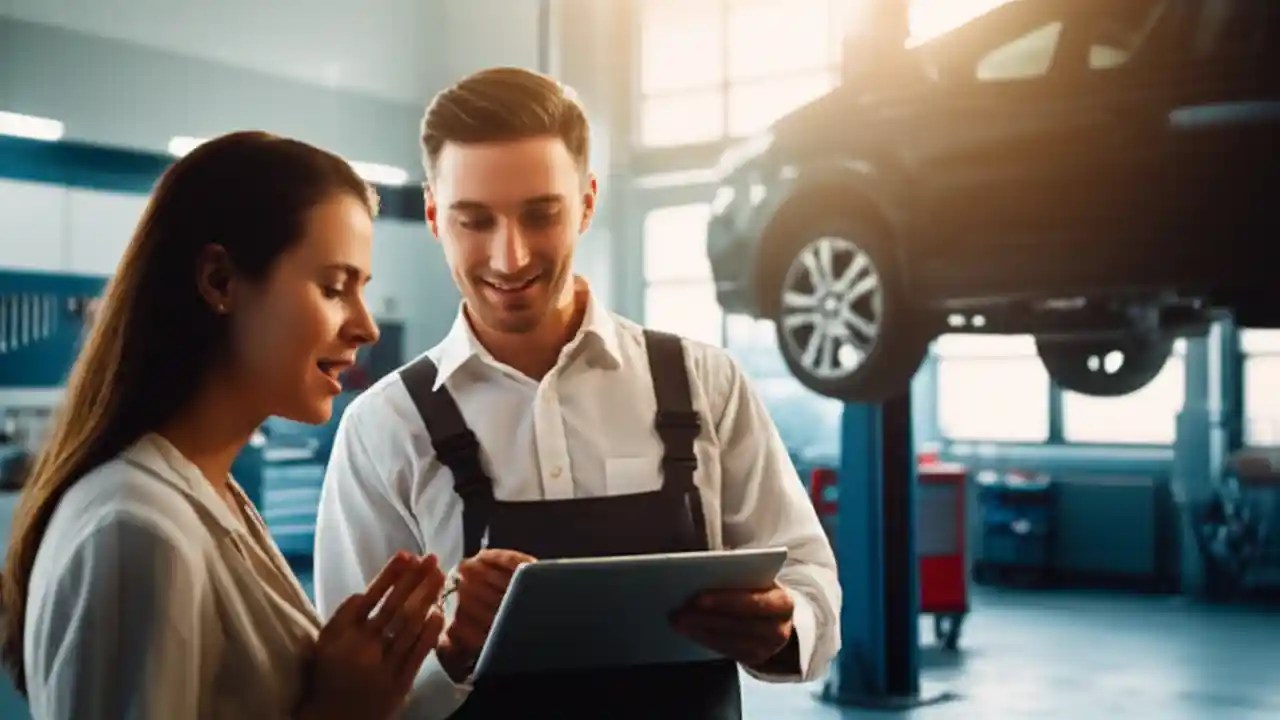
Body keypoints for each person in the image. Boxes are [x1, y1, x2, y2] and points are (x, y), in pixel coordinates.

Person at [313, 67, 841, 719]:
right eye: (474, 220)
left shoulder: (706, 384)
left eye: (542, 215)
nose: (510, 258)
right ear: (432, 215)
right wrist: (451, 653)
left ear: (587, 203)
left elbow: (811, 582)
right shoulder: (385, 428)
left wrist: (784, 624)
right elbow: (349, 698)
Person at [0, 131, 448, 719]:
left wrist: (448, 654)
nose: (366, 327)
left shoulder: (208, 496)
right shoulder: (137, 530)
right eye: (334, 288)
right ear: (220, 281)